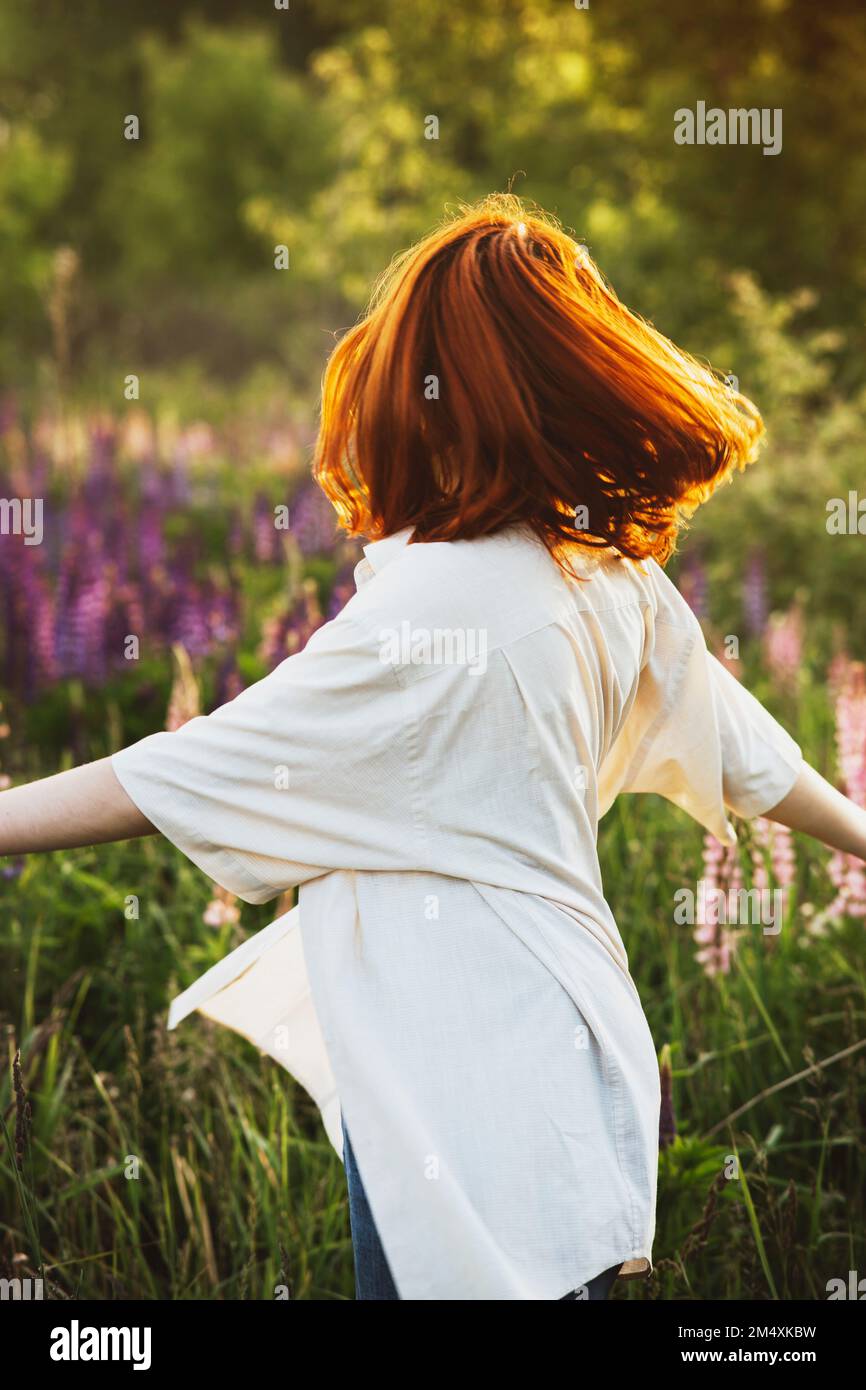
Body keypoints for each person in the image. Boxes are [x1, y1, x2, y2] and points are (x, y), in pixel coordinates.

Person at [2, 195, 865, 1301]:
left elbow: (173, 771)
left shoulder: (445, 606)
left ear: (439, 402)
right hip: (560, 1052)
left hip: (463, 1082)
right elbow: (750, 753)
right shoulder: (599, 570)